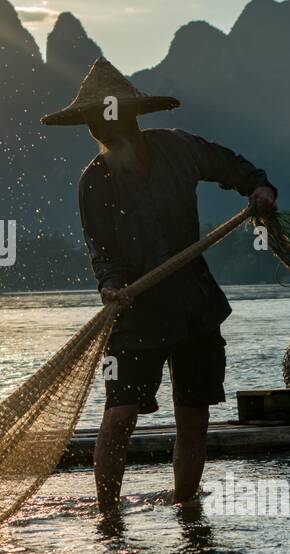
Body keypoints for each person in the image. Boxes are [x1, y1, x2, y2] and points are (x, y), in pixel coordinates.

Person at [40, 58, 277, 513]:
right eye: (95, 126)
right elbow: (101, 251)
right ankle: (108, 515)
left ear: (129, 117)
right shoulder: (93, 181)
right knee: (120, 415)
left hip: (194, 306)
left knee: (193, 415)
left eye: (107, 121)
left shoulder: (177, 149)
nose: (102, 132)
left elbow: (231, 166)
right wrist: (109, 286)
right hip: (135, 310)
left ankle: (188, 512)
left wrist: (259, 188)